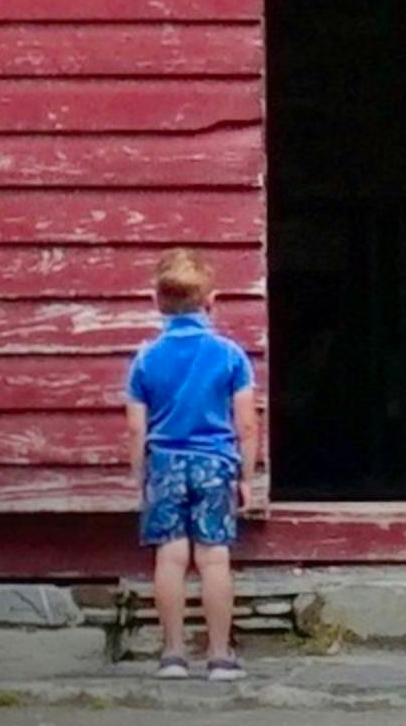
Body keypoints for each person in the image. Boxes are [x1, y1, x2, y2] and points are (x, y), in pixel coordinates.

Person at [125, 248, 259, 681]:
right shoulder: (229, 355)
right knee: (214, 558)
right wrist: (246, 476)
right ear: (211, 301)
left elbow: (134, 428)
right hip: (215, 463)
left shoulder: (145, 358)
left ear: (156, 302)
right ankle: (220, 656)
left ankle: (173, 655)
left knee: (170, 558)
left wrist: (139, 475)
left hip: (165, 462)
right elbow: (246, 422)